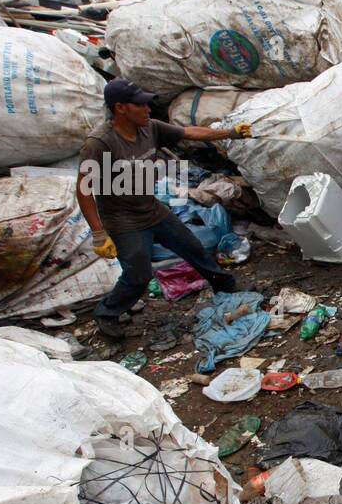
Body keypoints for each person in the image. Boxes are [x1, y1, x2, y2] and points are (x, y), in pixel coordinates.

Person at [76, 77, 253, 339]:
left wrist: (231, 133)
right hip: (123, 220)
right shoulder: (100, 143)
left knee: (193, 247)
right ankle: (108, 313)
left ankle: (223, 285)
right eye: (141, 105)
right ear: (121, 108)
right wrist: (99, 233)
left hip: (153, 209)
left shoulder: (150, 128)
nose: (148, 110)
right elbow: (84, 189)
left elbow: (190, 132)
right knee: (138, 275)